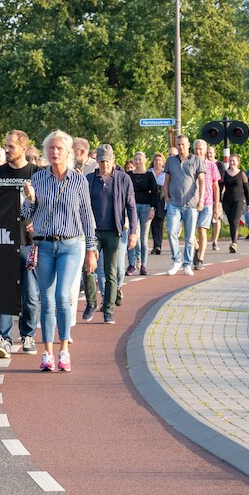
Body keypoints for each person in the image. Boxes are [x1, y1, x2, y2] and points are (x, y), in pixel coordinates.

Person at [21, 130, 97, 372]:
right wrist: (30, 199)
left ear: (69, 152)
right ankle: (47, 353)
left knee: (63, 296)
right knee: (47, 299)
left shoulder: (79, 180)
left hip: (71, 244)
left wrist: (91, 249)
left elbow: (87, 216)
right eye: (51, 148)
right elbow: (24, 215)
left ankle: (64, 350)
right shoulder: (38, 178)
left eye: (59, 149)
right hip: (43, 245)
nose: (54, 152)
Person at [0, 130, 39, 359]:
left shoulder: (37, 174)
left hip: (29, 242)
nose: (7, 150)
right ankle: (3, 338)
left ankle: (27, 334)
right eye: (5, 146)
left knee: (29, 293)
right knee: (4, 292)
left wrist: (36, 220)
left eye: (11, 147)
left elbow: (48, 206)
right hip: (2, 241)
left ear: (23, 149)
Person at [84, 144, 138, 324]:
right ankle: (91, 303)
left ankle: (108, 309)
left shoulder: (123, 179)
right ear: (97, 162)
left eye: (107, 161)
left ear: (113, 160)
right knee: (88, 268)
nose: (104, 165)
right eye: (101, 161)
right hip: (92, 232)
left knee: (111, 272)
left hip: (114, 231)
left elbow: (131, 206)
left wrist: (133, 232)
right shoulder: (89, 179)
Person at [163, 134, 206, 276]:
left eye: (183, 144)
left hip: (191, 204)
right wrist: (166, 196)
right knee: (171, 231)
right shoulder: (170, 161)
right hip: (174, 203)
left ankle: (187, 264)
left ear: (188, 145)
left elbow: (201, 181)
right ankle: (177, 260)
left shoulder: (197, 160)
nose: (180, 147)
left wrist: (201, 200)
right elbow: (167, 179)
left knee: (189, 237)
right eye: (178, 144)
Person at [127, 152, 158, 276]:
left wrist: (153, 208)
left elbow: (155, 193)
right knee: (133, 236)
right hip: (132, 208)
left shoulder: (149, 175)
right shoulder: (128, 176)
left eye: (140, 159)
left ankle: (143, 264)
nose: (138, 162)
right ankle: (132, 263)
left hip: (146, 207)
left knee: (143, 238)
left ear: (144, 160)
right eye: (136, 159)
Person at [218, 153, 249, 252]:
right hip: (227, 201)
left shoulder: (242, 174)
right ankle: (234, 241)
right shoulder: (225, 173)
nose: (232, 162)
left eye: (234, 161)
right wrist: (219, 200)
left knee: (235, 221)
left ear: (238, 162)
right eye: (230, 161)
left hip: (239, 200)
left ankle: (234, 243)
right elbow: (220, 188)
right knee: (231, 222)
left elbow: (247, 189)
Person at [149, 152, 167, 255]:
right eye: (156, 160)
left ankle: (158, 245)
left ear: (163, 162)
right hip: (151, 198)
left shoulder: (165, 173)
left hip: (161, 199)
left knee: (159, 222)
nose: (158, 162)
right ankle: (154, 244)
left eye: (160, 160)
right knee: (152, 222)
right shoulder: (149, 172)